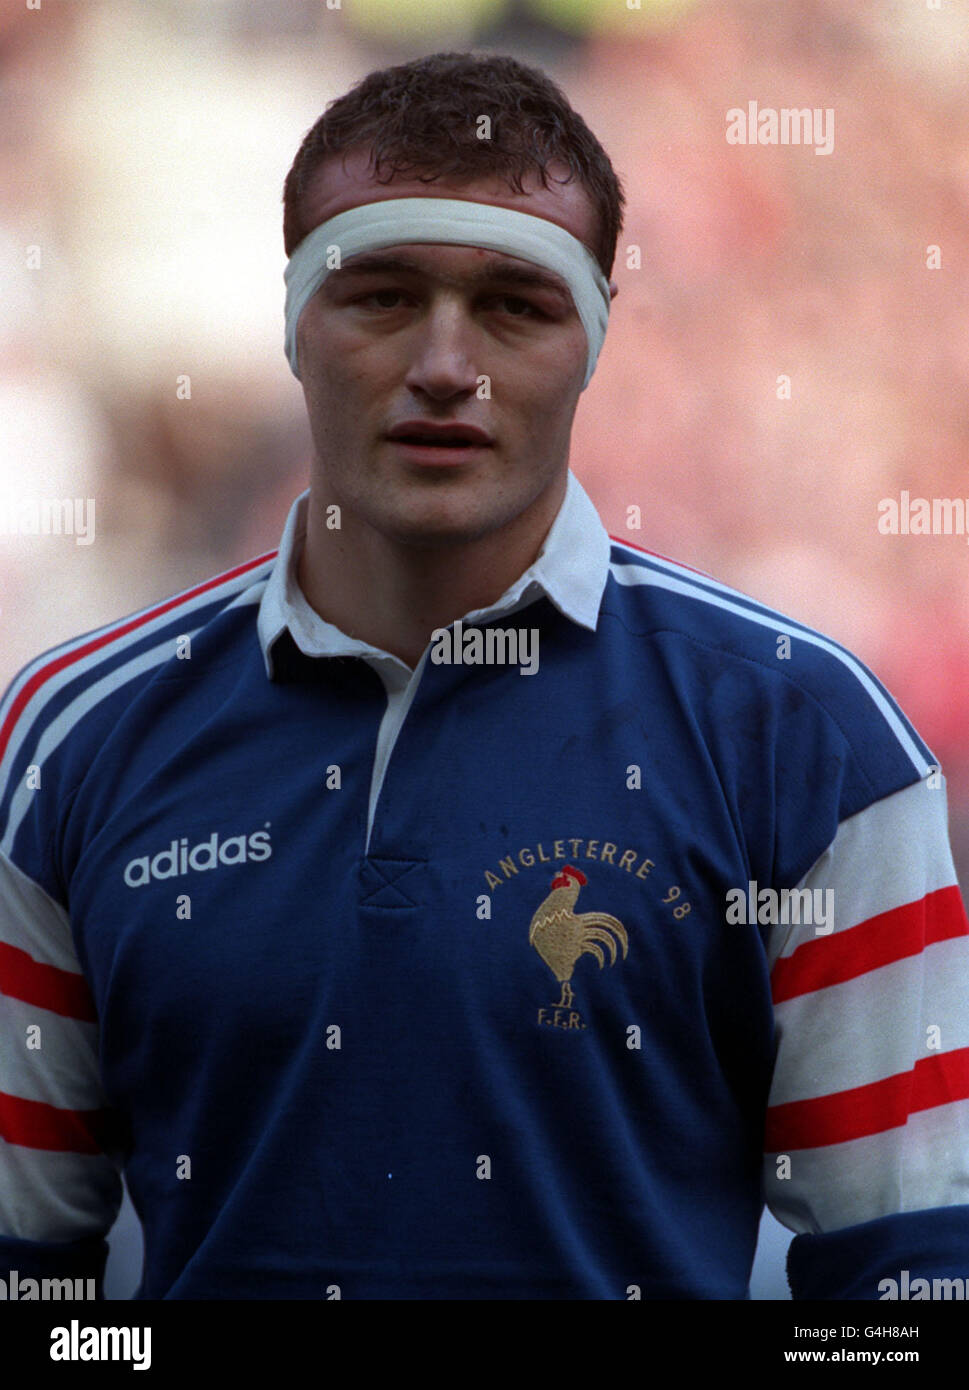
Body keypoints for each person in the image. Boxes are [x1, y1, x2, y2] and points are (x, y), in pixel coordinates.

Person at [1, 50, 967, 1302]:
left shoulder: (810, 739)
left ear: (595, 343)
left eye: (516, 304)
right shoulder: (74, 737)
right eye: (384, 295)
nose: (446, 363)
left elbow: (906, 1290)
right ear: (293, 322)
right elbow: (33, 1295)